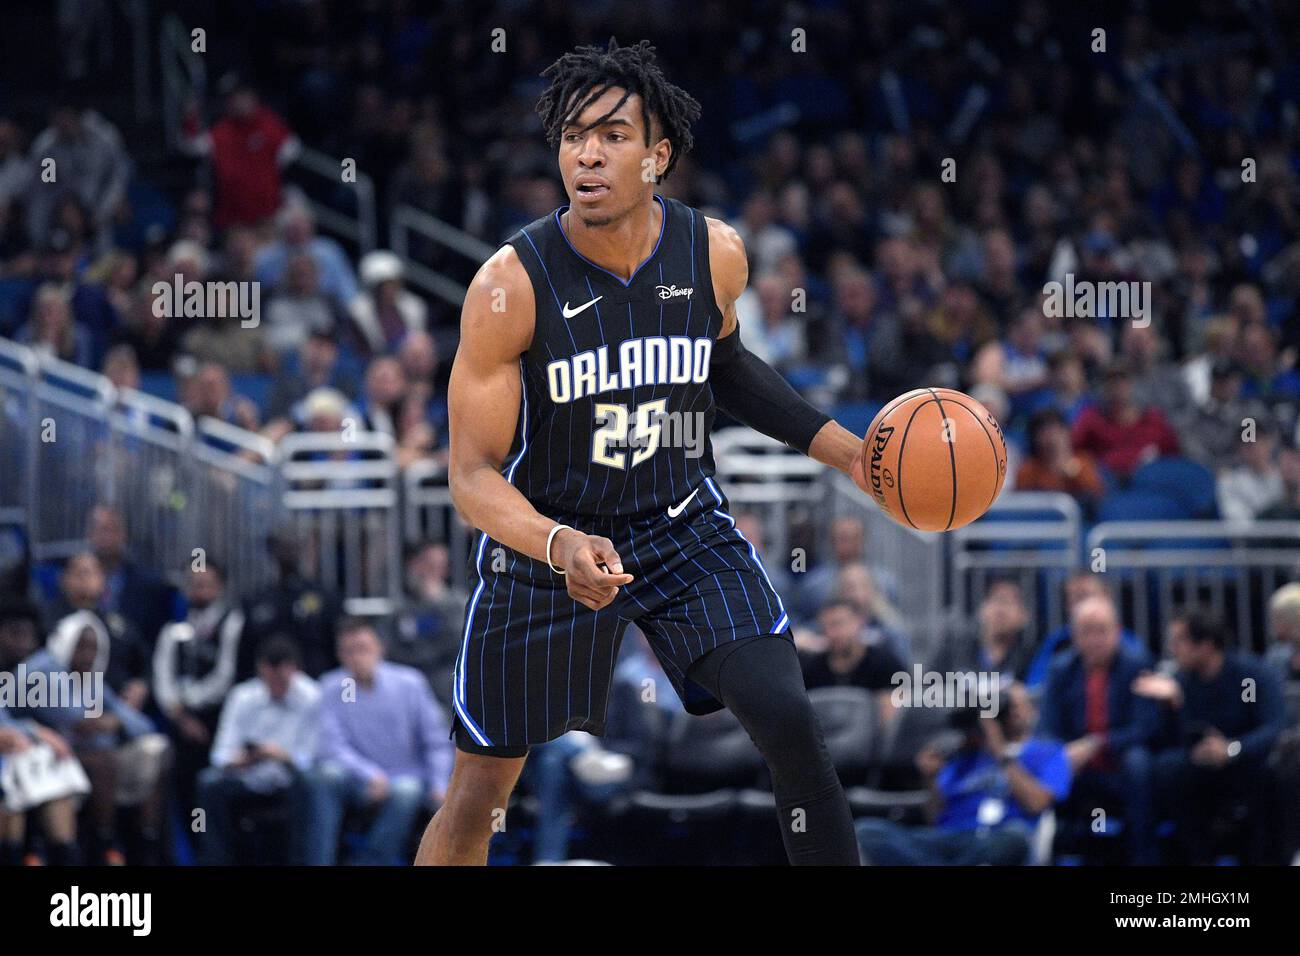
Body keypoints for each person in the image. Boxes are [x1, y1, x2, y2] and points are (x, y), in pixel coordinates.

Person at [417, 38, 870, 867]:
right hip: (550, 543)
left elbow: (725, 365)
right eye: (571, 135)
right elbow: (471, 475)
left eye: (612, 135)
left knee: (789, 718)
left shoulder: (714, 252)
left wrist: (850, 452)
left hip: (679, 524)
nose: (586, 153)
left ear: (657, 158)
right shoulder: (508, 286)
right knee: (480, 796)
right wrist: (558, 543)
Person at [855, 683, 1070, 865]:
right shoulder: (966, 754)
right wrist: (929, 778)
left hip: (994, 837)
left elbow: (1037, 803)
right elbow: (934, 819)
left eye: (1015, 706)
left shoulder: (1049, 752)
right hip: (949, 839)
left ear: (1033, 711)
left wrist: (1000, 752)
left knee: (1015, 839)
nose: (1009, 713)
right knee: (867, 831)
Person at [1134, 609, 1288, 863]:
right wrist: (1173, 706)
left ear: (1205, 646)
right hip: (1202, 767)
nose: (1172, 649)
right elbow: (1172, 739)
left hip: (1247, 763)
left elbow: (1274, 727)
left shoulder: (1251, 674)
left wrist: (1231, 749)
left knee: (1269, 776)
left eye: (1179, 641)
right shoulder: (1181, 681)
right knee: (1166, 769)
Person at [303, 620, 452, 865]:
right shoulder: (337, 686)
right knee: (323, 775)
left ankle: (371, 861)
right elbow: (332, 745)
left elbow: (435, 741)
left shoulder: (409, 683)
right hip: (358, 780)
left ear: (379, 648)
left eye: (363, 648)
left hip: (407, 776)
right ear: (339, 655)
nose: (357, 657)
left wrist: (439, 784)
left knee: (406, 791)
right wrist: (369, 774)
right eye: (349, 651)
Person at [1039, 595, 1161, 864]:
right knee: (1046, 760)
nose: (1094, 640)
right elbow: (1046, 728)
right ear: (1074, 636)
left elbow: (1146, 727)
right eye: (1086, 632)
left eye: (1101, 631)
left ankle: (1143, 856)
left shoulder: (1138, 666)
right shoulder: (1060, 670)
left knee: (1138, 762)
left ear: (1117, 632)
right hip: (1077, 767)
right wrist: (1067, 752)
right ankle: (1046, 850)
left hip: (1120, 762)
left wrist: (1097, 743)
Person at [196, 637, 319, 866]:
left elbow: (312, 757)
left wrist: (280, 755)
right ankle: (215, 861)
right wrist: (239, 761)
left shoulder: (312, 696)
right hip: (249, 776)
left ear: (294, 670)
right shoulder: (243, 697)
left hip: (291, 779)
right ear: (261, 671)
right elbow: (219, 755)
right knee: (208, 783)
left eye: (282, 680)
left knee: (312, 783)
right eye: (270, 679)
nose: (276, 686)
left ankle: (305, 861)